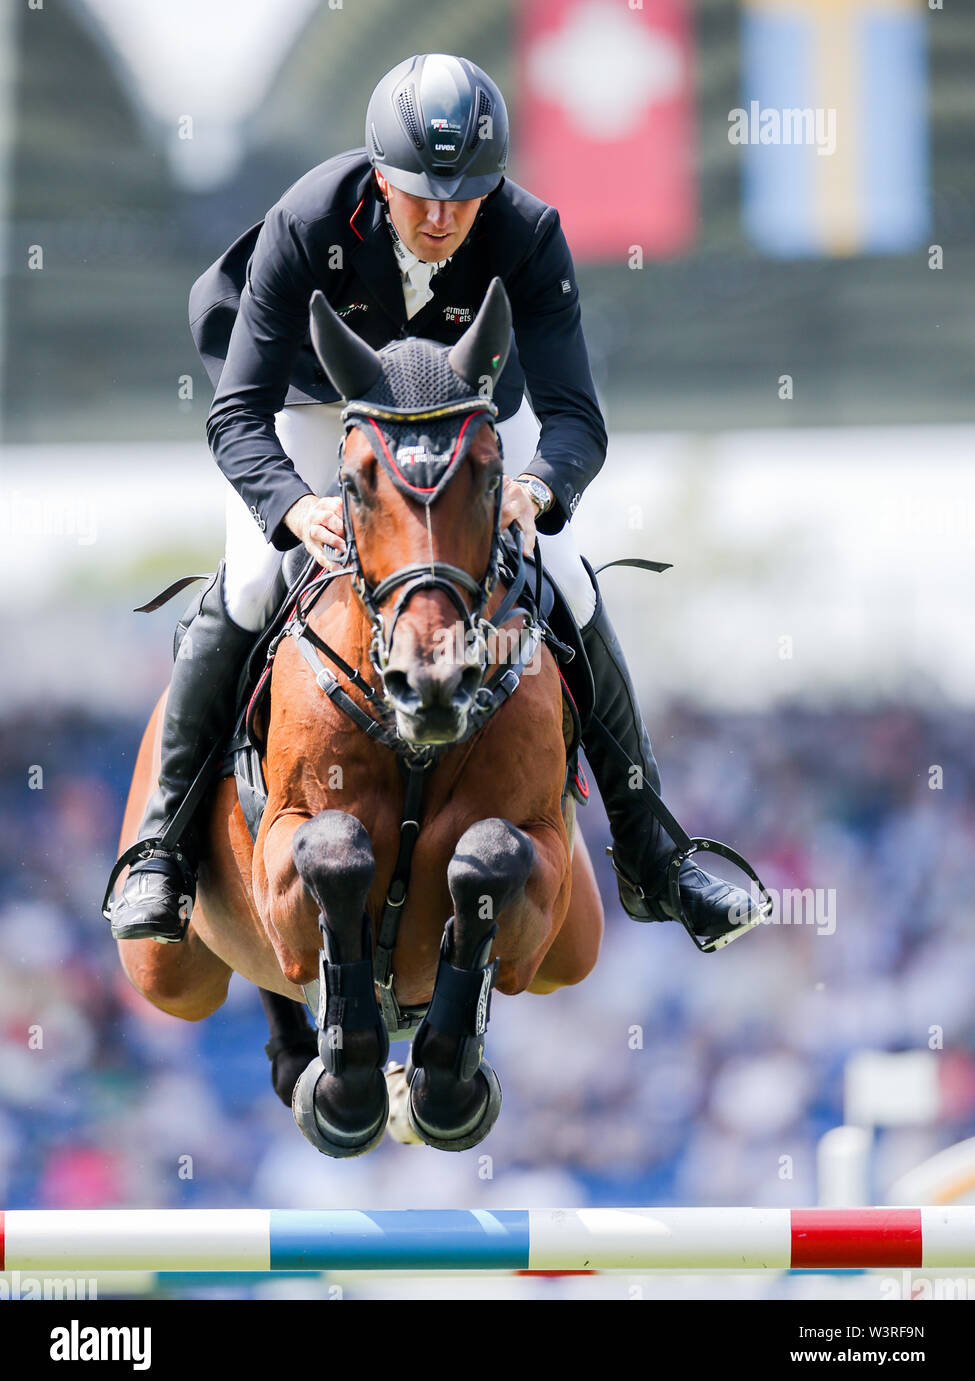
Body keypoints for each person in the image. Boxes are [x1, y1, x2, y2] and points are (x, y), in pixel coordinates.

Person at [108, 53, 764, 945]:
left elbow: (576, 416)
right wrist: (296, 508)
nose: (444, 216)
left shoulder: (527, 232)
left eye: (466, 193)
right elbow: (237, 417)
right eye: (421, 193)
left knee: (565, 577)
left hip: (469, 406)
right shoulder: (307, 221)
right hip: (317, 399)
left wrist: (538, 489)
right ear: (379, 175)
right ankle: (161, 854)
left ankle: (656, 855)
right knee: (254, 581)